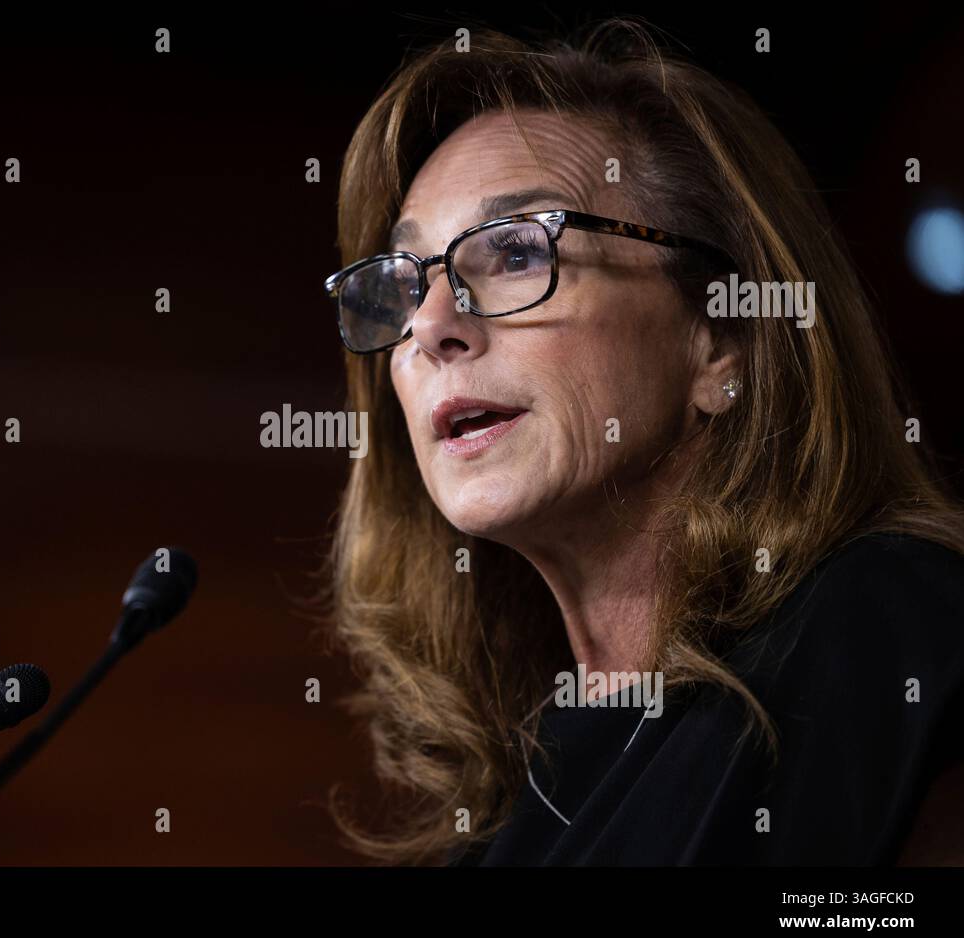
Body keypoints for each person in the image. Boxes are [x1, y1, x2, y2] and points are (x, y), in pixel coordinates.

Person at [319, 21, 964, 865]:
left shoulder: (889, 627)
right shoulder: (500, 822)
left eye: (515, 251)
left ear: (721, 339)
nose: (432, 326)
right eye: (405, 285)